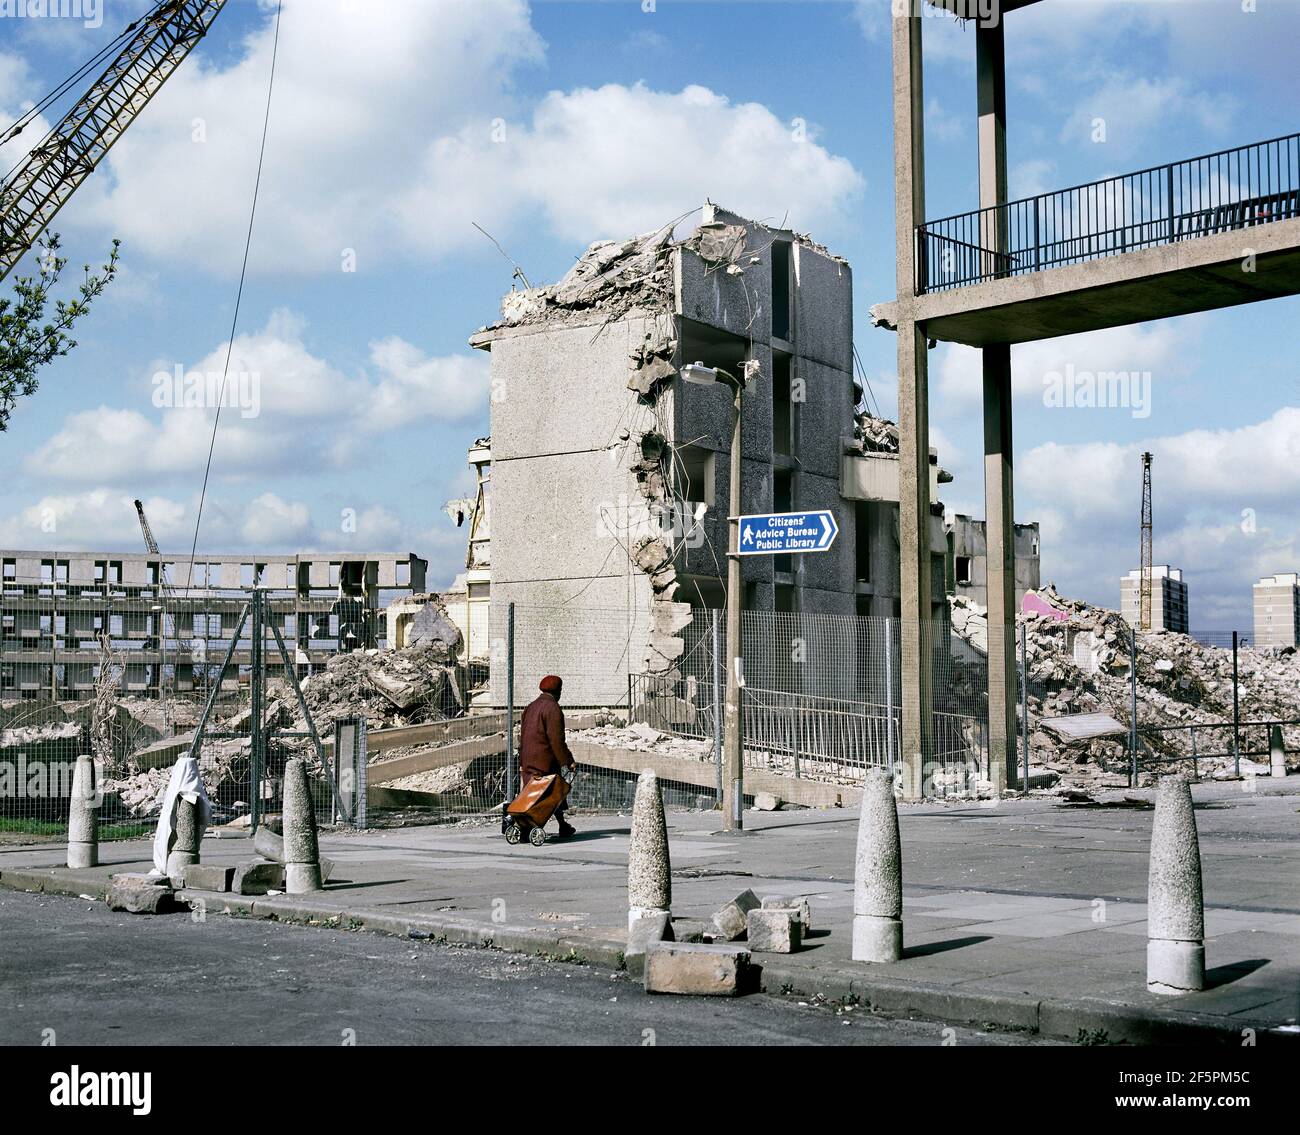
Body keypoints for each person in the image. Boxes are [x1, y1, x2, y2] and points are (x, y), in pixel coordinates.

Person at [514, 674, 577, 839]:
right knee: (552, 792)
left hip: (528, 757)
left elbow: (523, 734)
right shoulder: (553, 708)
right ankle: (532, 826)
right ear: (558, 691)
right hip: (545, 759)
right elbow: (556, 739)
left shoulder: (530, 707)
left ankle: (562, 825)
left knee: (531, 793)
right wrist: (567, 761)